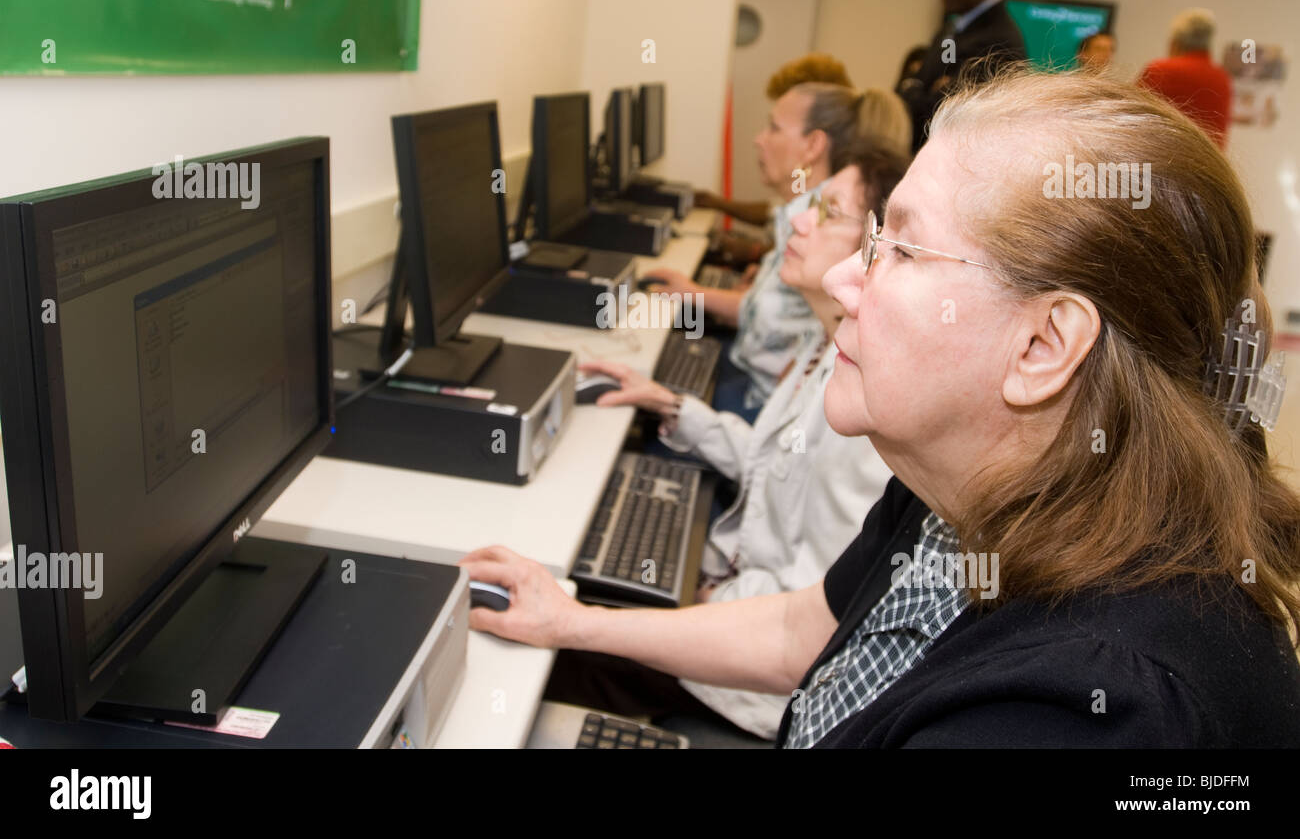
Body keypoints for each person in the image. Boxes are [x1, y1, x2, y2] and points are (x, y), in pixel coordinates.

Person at [461, 69, 1300, 747]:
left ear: (1043, 348)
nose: (840, 279)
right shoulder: (964, 483)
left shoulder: (1091, 706)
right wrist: (575, 620)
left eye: (899, 246)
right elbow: (800, 635)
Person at [567, 140, 907, 737]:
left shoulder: (868, 414)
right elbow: (776, 460)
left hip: (754, 672)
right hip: (741, 601)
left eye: (827, 212)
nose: (798, 219)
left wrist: (691, 601)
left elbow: (804, 615)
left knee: (562, 652)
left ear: (875, 249)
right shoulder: (828, 343)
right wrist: (671, 405)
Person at [645, 83, 910, 421]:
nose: (759, 139)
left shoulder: (820, 248)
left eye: (773, 127)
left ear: (813, 145)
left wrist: (697, 295)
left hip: (757, 399)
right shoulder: (811, 227)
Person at [897, 0, 1026, 153]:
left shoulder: (1000, 42)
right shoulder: (950, 27)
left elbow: (940, 118)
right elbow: (916, 100)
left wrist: (913, 88)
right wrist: (920, 91)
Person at [695, 52, 854, 229]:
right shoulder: (806, 192)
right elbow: (777, 210)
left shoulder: (833, 208)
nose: (759, 140)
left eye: (776, 127)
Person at [1138, 8, 1232, 148]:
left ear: (1175, 42)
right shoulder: (1222, 77)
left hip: (1163, 159)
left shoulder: (1161, 69)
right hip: (1208, 165)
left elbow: (1133, 116)